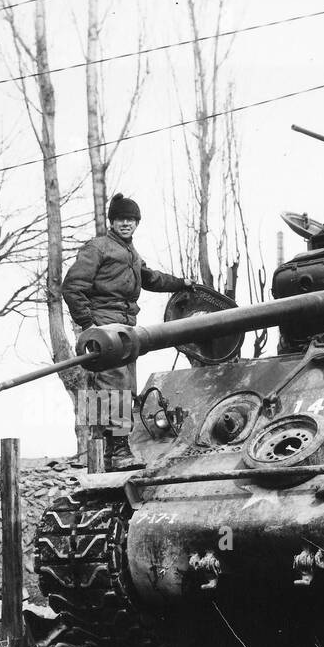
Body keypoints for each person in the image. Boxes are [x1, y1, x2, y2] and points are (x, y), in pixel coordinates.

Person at [62, 193, 195, 470]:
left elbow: (150, 278)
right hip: (104, 326)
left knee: (124, 389)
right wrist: (89, 326)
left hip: (125, 330)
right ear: (112, 221)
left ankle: (110, 451)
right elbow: (72, 287)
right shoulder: (98, 247)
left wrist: (181, 283)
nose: (126, 224)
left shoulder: (131, 253)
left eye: (131, 220)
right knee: (112, 389)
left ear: (137, 223)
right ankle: (116, 451)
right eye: (121, 219)